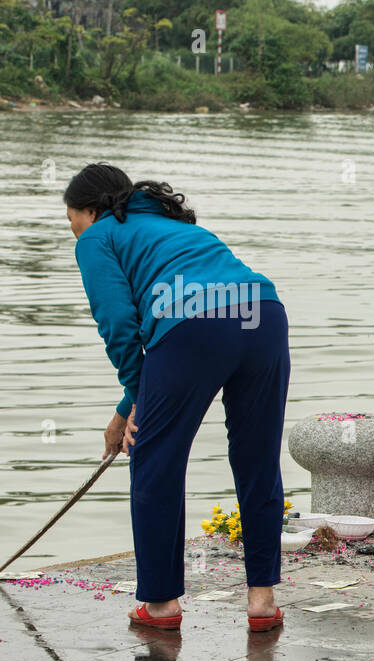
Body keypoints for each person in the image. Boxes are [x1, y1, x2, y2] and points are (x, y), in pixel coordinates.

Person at [65, 163, 290, 632]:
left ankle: (162, 605)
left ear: (90, 210)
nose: (75, 233)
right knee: (257, 459)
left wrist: (134, 401)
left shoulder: (98, 236)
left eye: (74, 222)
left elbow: (119, 326)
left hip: (193, 324)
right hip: (263, 314)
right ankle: (262, 601)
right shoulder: (176, 226)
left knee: (156, 461)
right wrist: (129, 407)